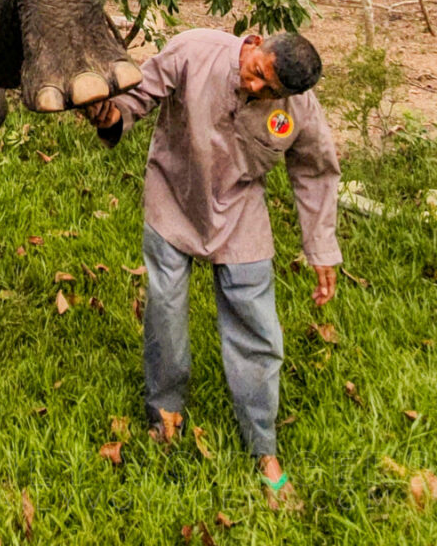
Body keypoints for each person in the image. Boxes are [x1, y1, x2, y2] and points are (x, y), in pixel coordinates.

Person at [87, 28, 341, 508]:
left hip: (240, 212)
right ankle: (165, 413)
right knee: (165, 308)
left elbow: (315, 170)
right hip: (174, 197)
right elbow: (138, 95)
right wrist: (109, 114)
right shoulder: (195, 51)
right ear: (255, 42)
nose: (257, 89)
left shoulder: (294, 108)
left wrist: (321, 247)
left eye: (272, 91)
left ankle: (263, 447)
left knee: (257, 327)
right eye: (259, 73)